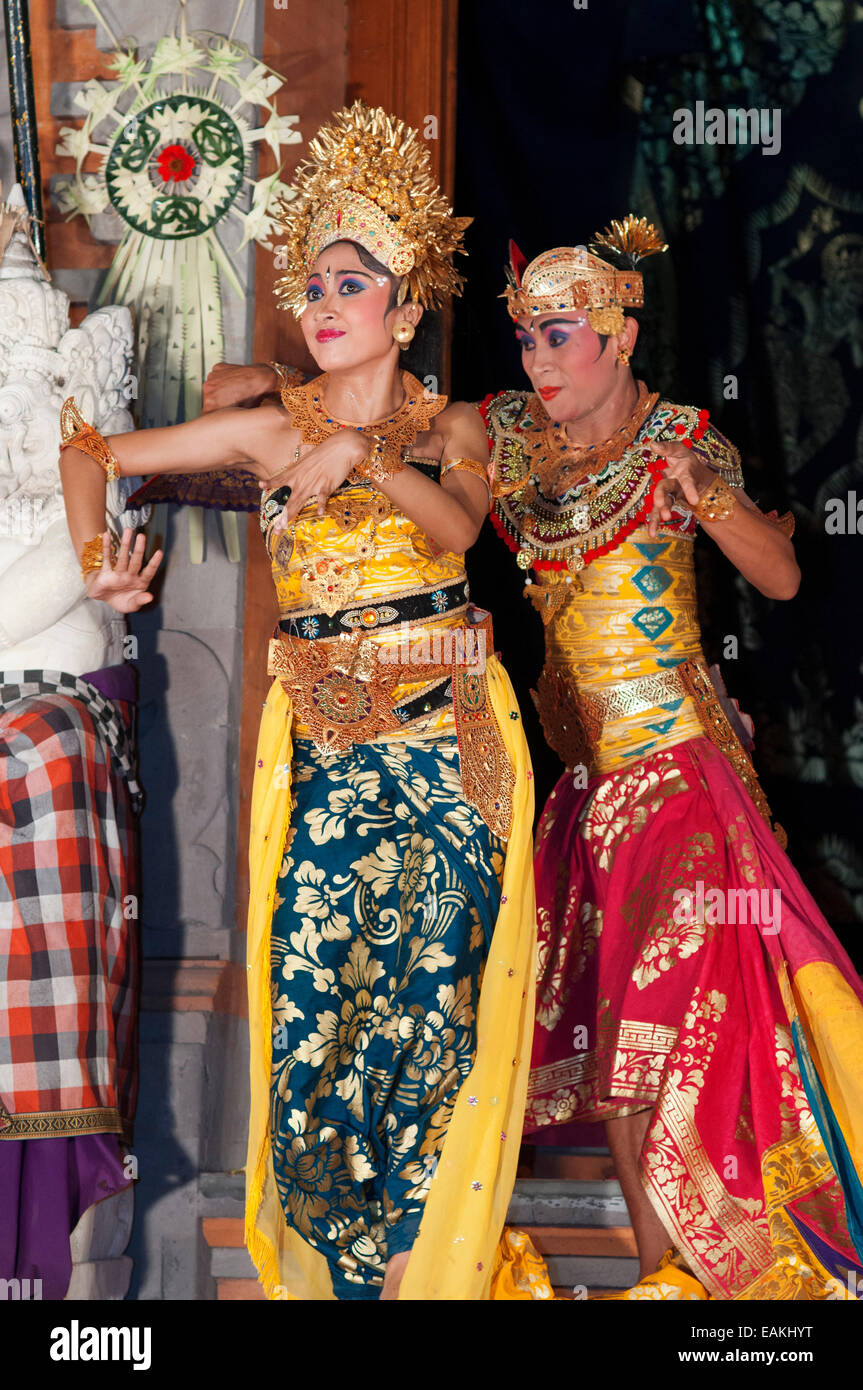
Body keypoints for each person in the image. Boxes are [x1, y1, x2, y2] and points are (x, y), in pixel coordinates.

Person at [57, 102, 540, 1302]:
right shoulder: (272, 434)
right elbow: (88, 450)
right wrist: (94, 560)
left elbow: (463, 530)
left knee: (429, 1028)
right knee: (313, 1025)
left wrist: (367, 458)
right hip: (327, 758)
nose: (322, 303)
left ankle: (426, 1276)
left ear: (409, 310)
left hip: (450, 758)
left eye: (352, 281)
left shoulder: (457, 427)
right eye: (311, 282)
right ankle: (342, 1286)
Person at [481, 220, 863, 1300]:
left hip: (679, 779)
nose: (540, 363)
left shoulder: (681, 443)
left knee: (679, 1026)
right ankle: (667, 1285)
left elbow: (781, 577)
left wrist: (709, 497)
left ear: (616, 332)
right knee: (616, 1060)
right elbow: (411, 421)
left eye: (558, 336)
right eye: (525, 342)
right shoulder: (516, 443)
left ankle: (730, 1274)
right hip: (585, 796)